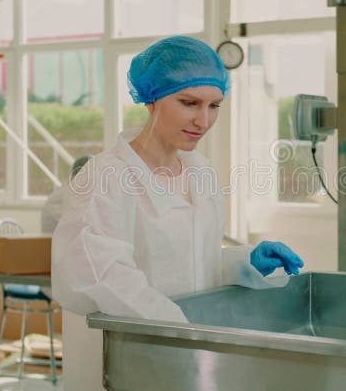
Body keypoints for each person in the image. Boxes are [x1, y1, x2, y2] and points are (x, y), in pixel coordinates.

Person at [51, 36, 304, 389]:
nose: (203, 120)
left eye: (214, 105)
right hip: (123, 361)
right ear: (152, 99)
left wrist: (242, 262)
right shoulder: (105, 177)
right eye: (189, 103)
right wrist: (187, 334)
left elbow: (190, 263)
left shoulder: (200, 172)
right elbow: (105, 278)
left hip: (186, 358)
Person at [40, 155, 91, 234]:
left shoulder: (74, 188)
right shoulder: (67, 192)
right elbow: (79, 222)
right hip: (51, 239)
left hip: (64, 236)